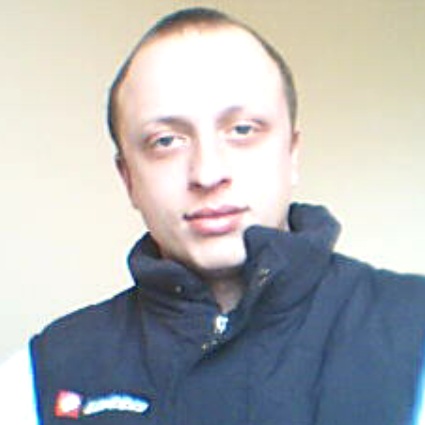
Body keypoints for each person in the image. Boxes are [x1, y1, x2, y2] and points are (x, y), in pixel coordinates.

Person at [1, 7, 425, 424]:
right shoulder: (38, 381)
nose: (207, 173)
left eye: (242, 130)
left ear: (292, 153)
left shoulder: (413, 329)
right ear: (128, 178)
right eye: (166, 141)